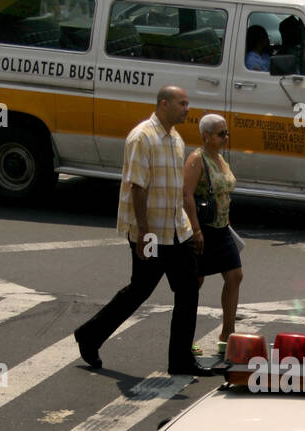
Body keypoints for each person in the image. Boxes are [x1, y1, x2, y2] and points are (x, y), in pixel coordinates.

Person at [73, 87, 222, 379]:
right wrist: (143, 232)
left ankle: (180, 360)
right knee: (139, 290)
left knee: (188, 290)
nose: (186, 109)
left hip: (176, 231)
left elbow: (177, 189)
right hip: (152, 232)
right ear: (163, 104)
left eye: (188, 104)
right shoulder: (142, 137)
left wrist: (191, 227)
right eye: (181, 104)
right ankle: (90, 335)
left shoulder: (176, 139)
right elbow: (137, 187)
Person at [183, 113, 243, 355]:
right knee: (194, 282)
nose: (226, 137)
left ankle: (227, 334)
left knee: (235, 276)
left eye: (227, 132)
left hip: (222, 229)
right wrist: (195, 229)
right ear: (206, 136)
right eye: (221, 134)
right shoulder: (197, 159)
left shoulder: (220, 158)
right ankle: (185, 338)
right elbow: (187, 195)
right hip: (203, 229)